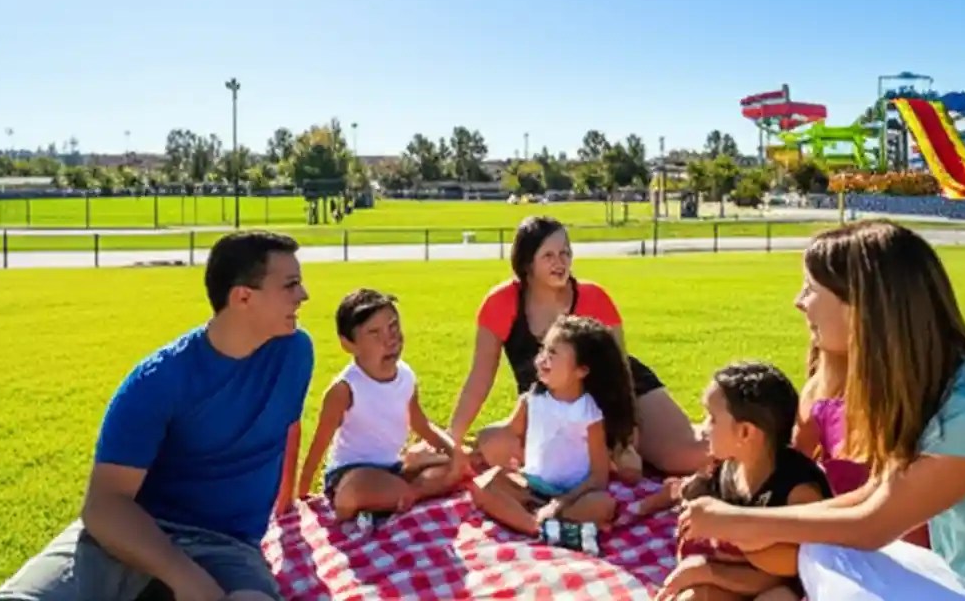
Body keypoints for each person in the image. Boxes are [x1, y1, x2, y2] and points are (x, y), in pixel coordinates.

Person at [677, 220, 965, 601]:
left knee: (830, 557)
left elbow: (874, 523)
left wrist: (738, 522)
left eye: (810, 287)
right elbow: (867, 499)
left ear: (862, 305)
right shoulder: (928, 390)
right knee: (822, 554)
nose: (798, 302)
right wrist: (749, 524)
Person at [0, 230, 315, 601]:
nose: (303, 295)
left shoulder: (295, 354)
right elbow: (105, 505)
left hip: (228, 546)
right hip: (138, 535)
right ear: (243, 297)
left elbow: (287, 428)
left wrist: (288, 498)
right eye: (290, 285)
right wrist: (186, 577)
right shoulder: (159, 380)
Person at [446, 215, 706, 477]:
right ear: (527, 263)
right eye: (548, 255)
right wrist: (451, 439)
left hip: (615, 397)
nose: (560, 263)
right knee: (494, 446)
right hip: (551, 410)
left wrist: (624, 433)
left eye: (565, 253)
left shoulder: (594, 297)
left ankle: (725, 431)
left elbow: (621, 374)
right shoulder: (502, 302)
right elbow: (479, 380)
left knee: (682, 457)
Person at [634, 362, 830, 601]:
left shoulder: (797, 490)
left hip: (790, 585)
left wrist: (722, 542)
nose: (703, 428)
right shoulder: (725, 465)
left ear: (745, 433)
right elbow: (686, 488)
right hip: (734, 577)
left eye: (712, 418)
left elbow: (794, 569)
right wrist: (648, 504)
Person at [469, 315, 636, 554]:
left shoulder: (588, 414)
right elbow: (510, 433)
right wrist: (477, 447)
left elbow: (599, 477)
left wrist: (561, 503)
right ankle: (539, 528)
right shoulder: (532, 399)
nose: (542, 359)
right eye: (544, 350)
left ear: (581, 370)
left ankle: (547, 522)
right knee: (483, 485)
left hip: (574, 495)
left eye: (553, 354)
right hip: (532, 488)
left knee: (604, 505)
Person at [296, 288, 464, 522]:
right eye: (374, 333)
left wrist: (452, 449)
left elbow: (420, 423)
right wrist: (302, 493)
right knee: (354, 490)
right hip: (353, 473)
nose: (389, 338)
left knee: (455, 463)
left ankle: (397, 498)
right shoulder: (345, 389)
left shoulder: (406, 376)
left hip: (393, 468)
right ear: (349, 344)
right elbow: (319, 444)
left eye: (393, 326)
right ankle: (390, 497)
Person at [791, 342, 929, 547]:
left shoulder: (914, 401)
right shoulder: (820, 398)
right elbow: (792, 468)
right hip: (848, 544)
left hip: (911, 547)